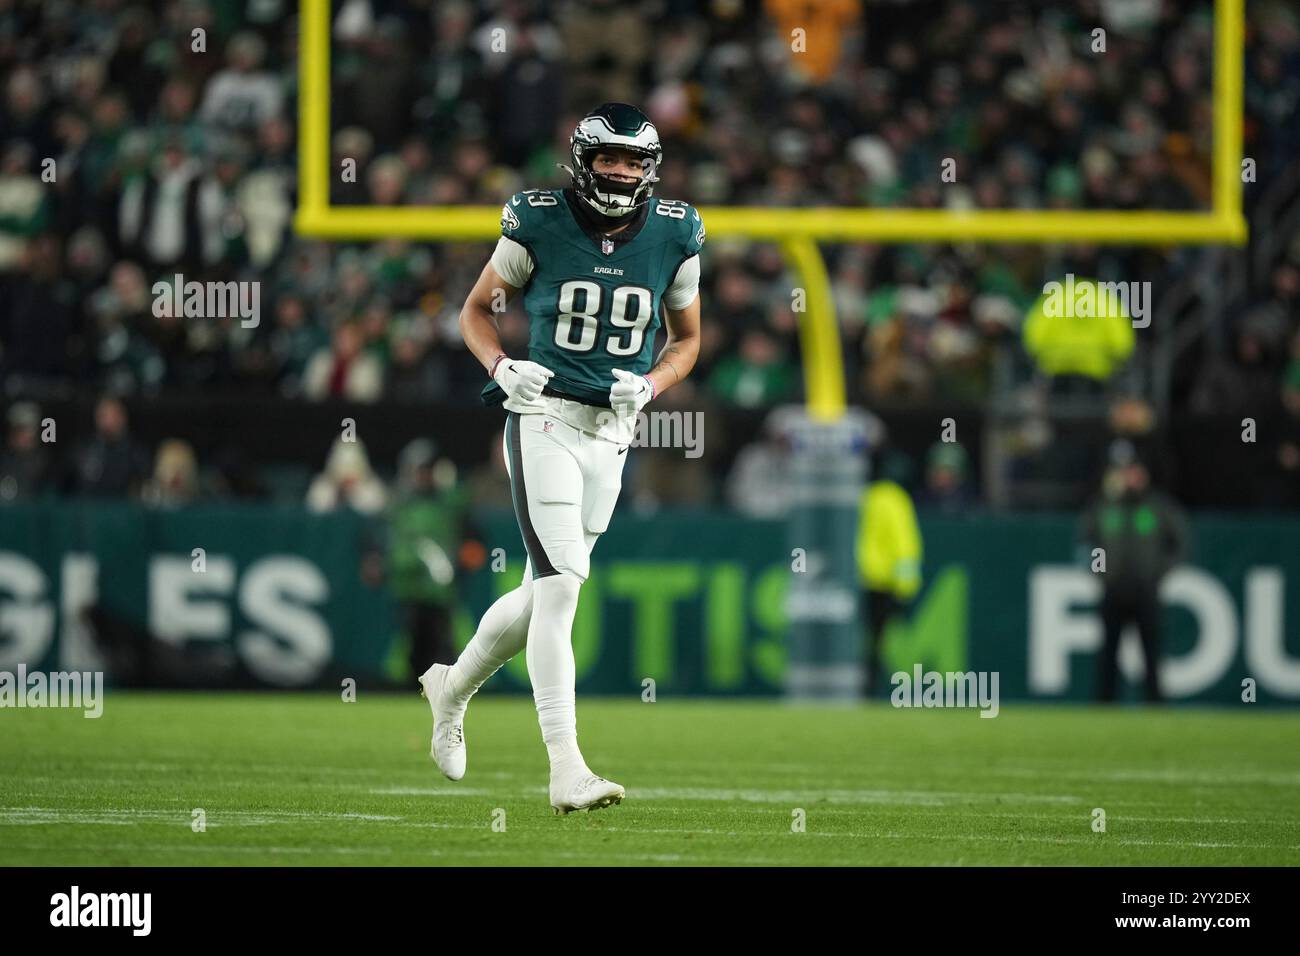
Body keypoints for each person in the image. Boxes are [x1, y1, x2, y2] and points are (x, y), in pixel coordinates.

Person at [419, 103, 704, 814]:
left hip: (612, 433)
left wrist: (655, 382)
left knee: (540, 595)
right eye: (608, 158)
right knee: (562, 590)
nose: (620, 172)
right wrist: (499, 366)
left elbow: (688, 339)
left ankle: (450, 689)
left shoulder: (676, 232)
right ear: (582, 160)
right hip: (541, 415)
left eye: (633, 162)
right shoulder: (538, 218)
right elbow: (476, 309)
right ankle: (566, 767)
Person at [1079, 440, 1189, 703]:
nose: (1129, 478)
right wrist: (1101, 574)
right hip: (1113, 588)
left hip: (1146, 589)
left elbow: (1180, 543)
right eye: (1123, 471)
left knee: (1150, 652)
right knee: (1108, 652)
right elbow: (1085, 543)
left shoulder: (1158, 506)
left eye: (1133, 471)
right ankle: (1104, 705)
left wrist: (1159, 572)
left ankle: (1155, 703)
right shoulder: (1104, 506)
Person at [856, 453, 923, 695]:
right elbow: (905, 544)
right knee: (879, 641)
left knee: (863, 638)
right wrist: (906, 587)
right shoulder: (896, 499)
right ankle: (871, 689)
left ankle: (862, 687)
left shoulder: (865, 497)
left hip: (860, 579)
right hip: (885, 583)